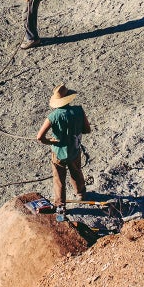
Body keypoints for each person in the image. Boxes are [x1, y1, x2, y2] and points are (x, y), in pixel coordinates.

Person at [36, 84, 91, 212]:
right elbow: (87, 129)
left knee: (59, 179)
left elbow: (40, 137)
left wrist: (49, 141)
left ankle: (60, 204)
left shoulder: (53, 116)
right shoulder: (78, 110)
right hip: (74, 149)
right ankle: (81, 194)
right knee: (76, 171)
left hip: (58, 152)